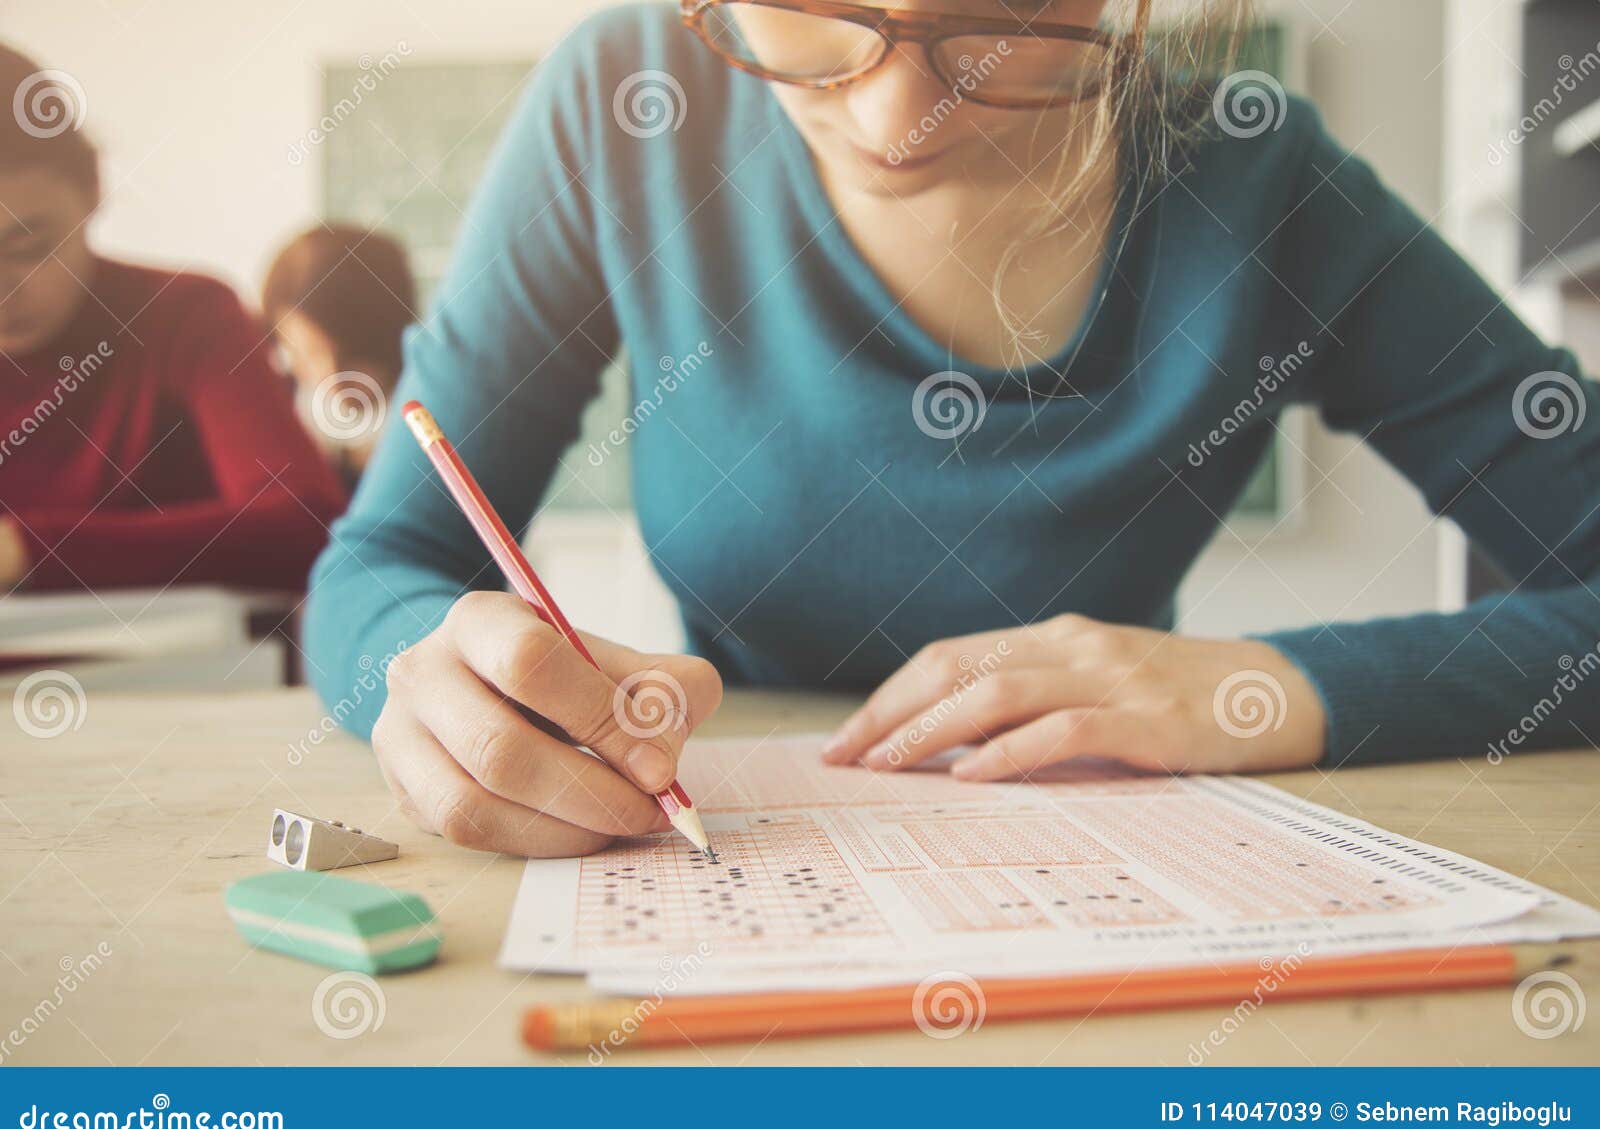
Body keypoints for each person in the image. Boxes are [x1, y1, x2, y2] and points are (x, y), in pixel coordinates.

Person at [304, 2, 1600, 858]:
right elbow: (380, 564)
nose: (889, 124)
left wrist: (1269, 689)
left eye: (991, 18)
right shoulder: (628, 101)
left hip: (1112, 889)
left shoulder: (1262, 180)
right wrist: (422, 675)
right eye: (817, 12)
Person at [0, 44, 344, 592]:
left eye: (30, 244)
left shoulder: (186, 316)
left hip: (186, 673)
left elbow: (305, 522)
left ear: (92, 190)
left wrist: (25, 548)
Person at [261, 224, 417, 492]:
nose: (333, 381)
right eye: (307, 353)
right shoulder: (274, 412)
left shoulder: (436, 420)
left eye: (353, 357)